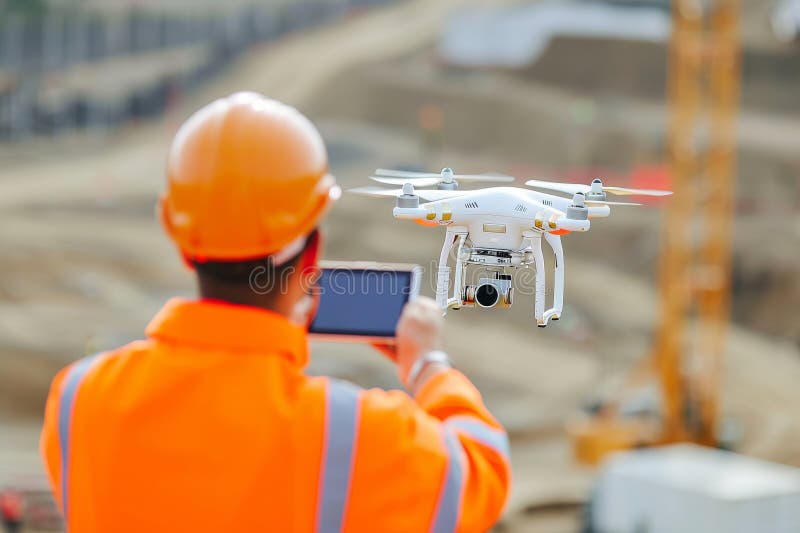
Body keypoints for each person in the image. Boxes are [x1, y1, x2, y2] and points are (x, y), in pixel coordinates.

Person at [40, 92, 510, 532]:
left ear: (184, 245)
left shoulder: (78, 401)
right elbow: (483, 470)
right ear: (312, 254)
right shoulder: (355, 436)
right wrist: (428, 365)